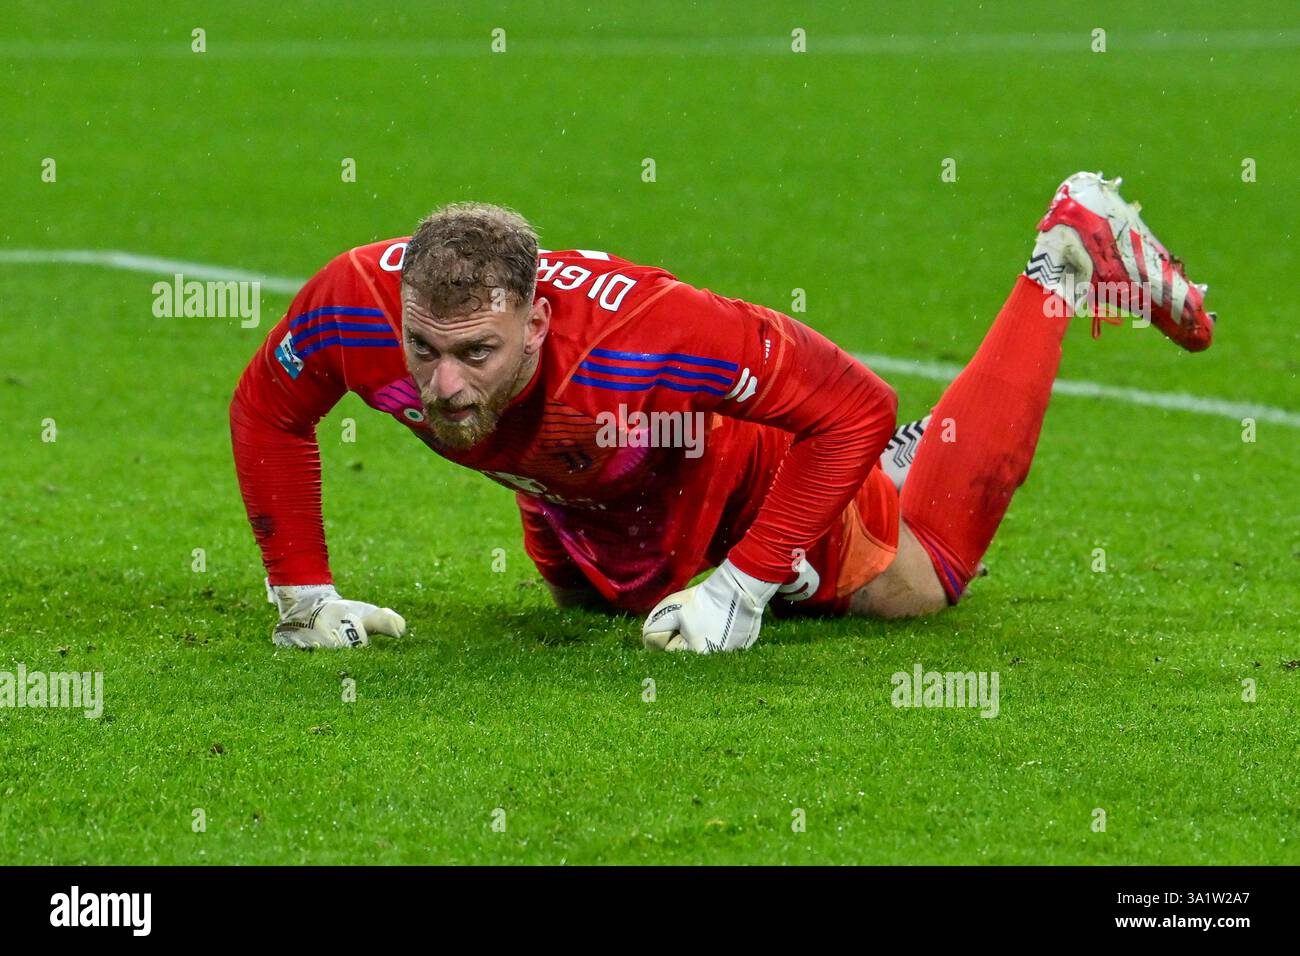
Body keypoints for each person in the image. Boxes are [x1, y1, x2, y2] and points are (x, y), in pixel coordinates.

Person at [229, 172, 1214, 652]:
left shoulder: (652, 333)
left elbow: (853, 401)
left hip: (730, 466)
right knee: (599, 619)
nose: (441, 387)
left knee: (919, 586)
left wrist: (742, 584)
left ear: (537, 319)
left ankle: (1066, 256)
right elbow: (267, 408)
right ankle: (886, 480)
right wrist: (304, 601)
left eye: (476, 354)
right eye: (423, 351)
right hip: (585, 490)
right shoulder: (354, 300)